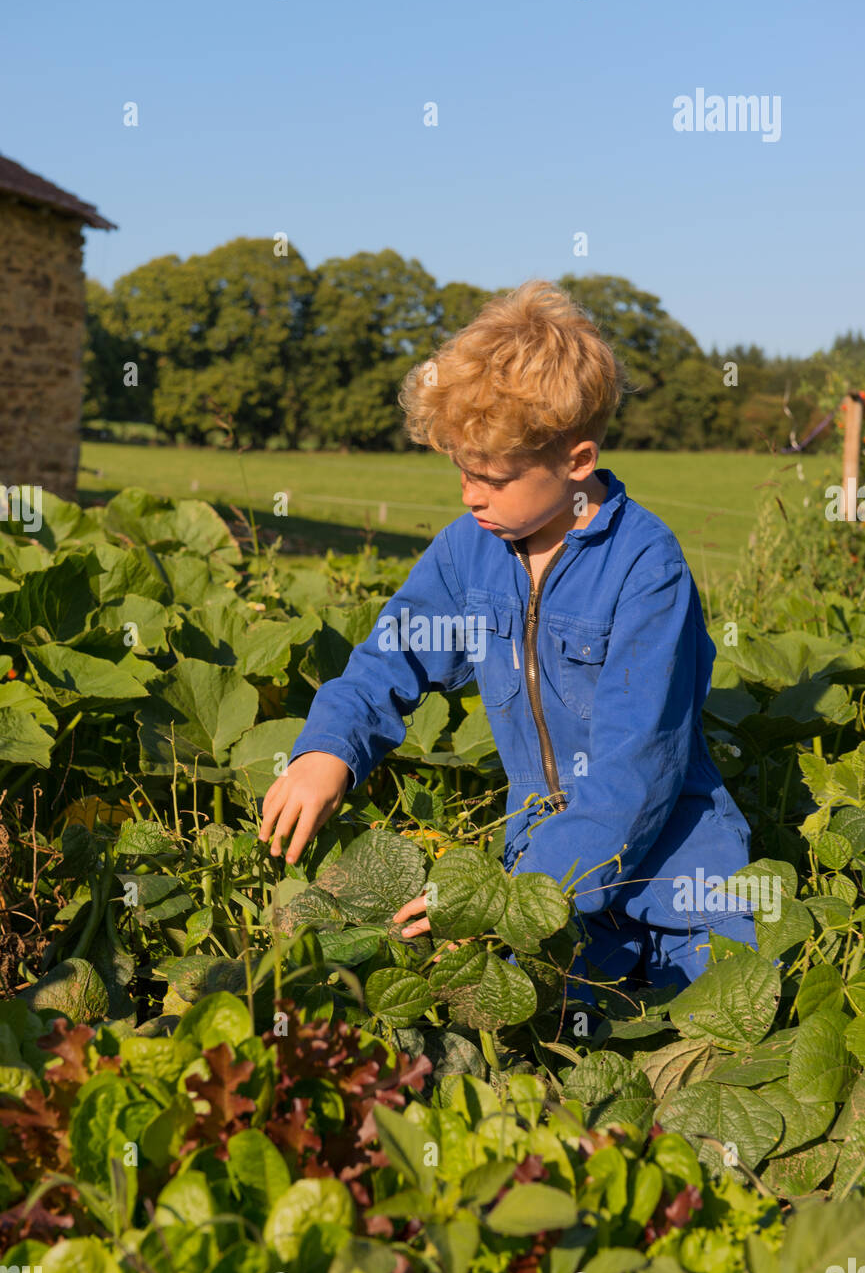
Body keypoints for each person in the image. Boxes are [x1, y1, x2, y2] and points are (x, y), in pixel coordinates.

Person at [259, 279, 758, 1006]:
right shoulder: (468, 551)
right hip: (535, 861)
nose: (469, 494)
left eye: (491, 477)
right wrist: (326, 750)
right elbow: (389, 656)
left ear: (576, 460)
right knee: (544, 1055)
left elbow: (636, 767)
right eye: (460, 470)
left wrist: (506, 903)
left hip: (678, 875)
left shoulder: (648, 567)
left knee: (713, 1042)